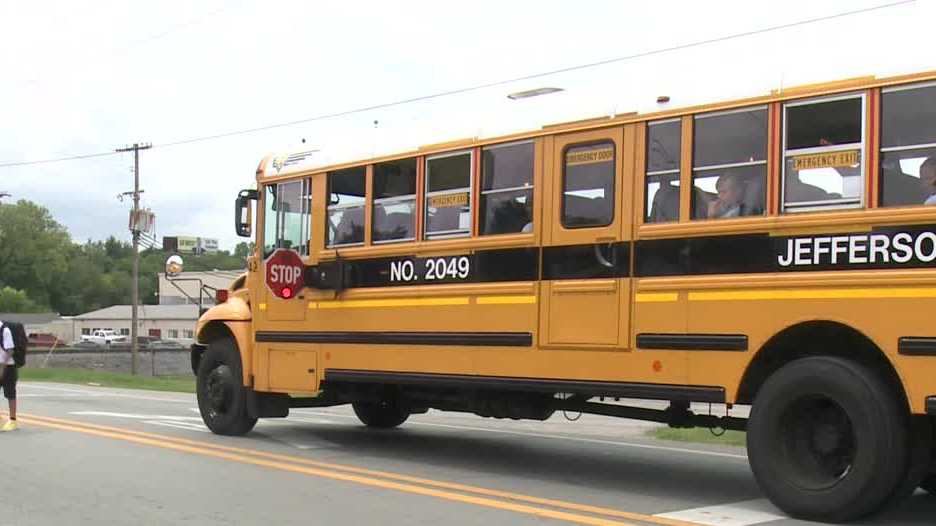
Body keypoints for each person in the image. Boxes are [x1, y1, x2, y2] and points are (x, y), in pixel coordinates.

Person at [0, 322, 18, 431]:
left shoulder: (5, 330)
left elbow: (10, 350)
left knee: (10, 393)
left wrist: (2, 367)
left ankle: (13, 420)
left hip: (8, 366)